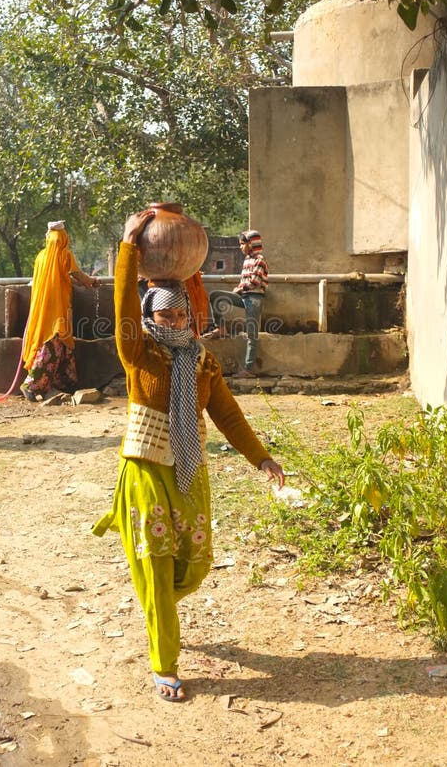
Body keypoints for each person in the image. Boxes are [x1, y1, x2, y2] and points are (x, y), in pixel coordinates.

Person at [92, 209, 284, 703]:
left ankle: (161, 610)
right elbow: (121, 315)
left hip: (189, 467)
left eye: (181, 313)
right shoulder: (140, 353)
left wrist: (261, 459)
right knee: (155, 566)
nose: (175, 320)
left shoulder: (202, 360)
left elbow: (228, 415)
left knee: (194, 565)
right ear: (151, 314)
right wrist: (129, 248)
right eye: (165, 313)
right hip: (145, 469)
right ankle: (165, 661)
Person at [20, 221, 99, 401]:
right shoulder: (65, 255)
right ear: (64, 239)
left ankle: (59, 385)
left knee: (59, 343)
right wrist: (92, 282)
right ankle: (30, 385)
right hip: (57, 309)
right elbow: (78, 275)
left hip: (41, 309)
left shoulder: (41, 256)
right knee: (53, 345)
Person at [203, 230, 269, 378]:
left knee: (252, 334)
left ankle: (248, 369)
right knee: (215, 295)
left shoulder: (260, 259)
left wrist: (239, 288)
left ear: (251, 244)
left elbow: (255, 282)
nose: (240, 247)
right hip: (243, 296)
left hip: (254, 298)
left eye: (242, 244)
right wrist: (239, 289)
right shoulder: (246, 260)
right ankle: (221, 328)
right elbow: (243, 281)